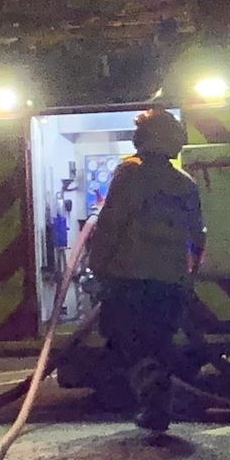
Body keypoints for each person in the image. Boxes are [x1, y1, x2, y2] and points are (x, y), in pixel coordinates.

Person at [88, 109, 206, 432]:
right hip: (169, 284)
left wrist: (96, 265)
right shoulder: (185, 183)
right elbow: (198, 237)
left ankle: (153, 400)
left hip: (129, 282)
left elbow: (111, 224)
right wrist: (189, 278)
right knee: (158, 345)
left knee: (127, 344)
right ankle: (157, 404)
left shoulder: (130, 174)